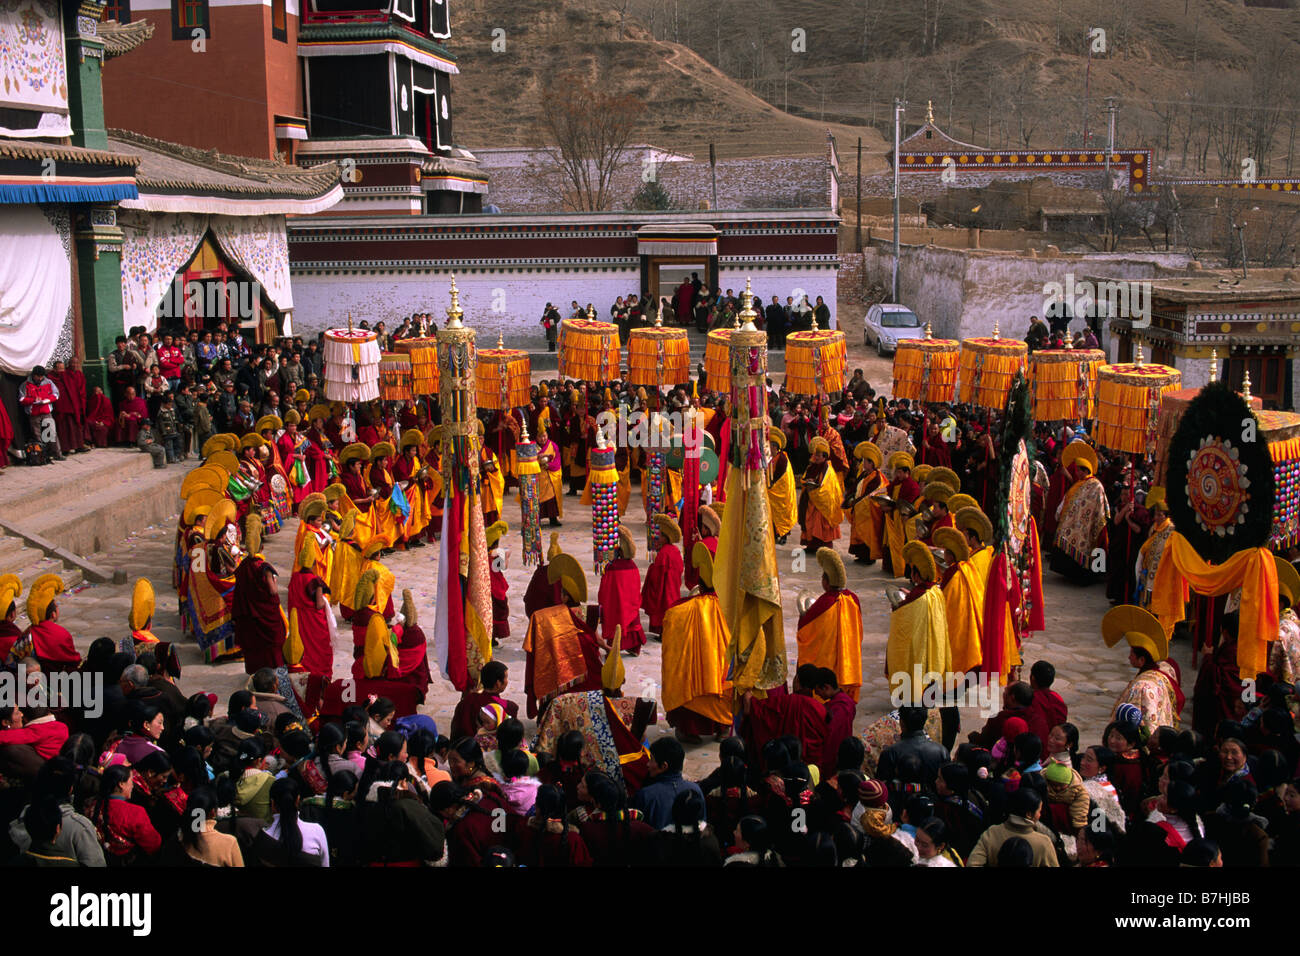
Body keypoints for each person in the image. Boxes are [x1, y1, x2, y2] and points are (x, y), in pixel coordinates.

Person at [660, 543, 733, 743]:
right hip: (720, 678)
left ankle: (688, 730)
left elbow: (670, 622)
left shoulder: (682, 611)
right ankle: (723, 727)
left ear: (699, 585)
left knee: (684, 674)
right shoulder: (729, 608)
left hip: (691, 684)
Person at [885, 542, 952, 709]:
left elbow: (904, 619)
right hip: (934, 649)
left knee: (914, 665)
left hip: (918, 648)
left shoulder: (919, 598)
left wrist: (897, 608)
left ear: (917, 575)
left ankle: (912, 698)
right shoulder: (935, 591)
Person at [1104, 604, 1183, 737]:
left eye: (1132, 654)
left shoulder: (1141, 686)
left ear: (1141, 660)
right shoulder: (1164, 671)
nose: (1129, 657)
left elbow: (1132, 719)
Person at [797, 548, 864, 702]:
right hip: (847, 663)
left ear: (826, 582)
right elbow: (858, 631)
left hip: (826, 662)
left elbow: (805, 632)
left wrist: (803, 617)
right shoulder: (853, 599)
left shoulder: (824, 603)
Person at [1051, 442, 1110, 582]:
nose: (1076, 473)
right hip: (1074, 522)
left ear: (1085, 470)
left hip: (1089, 523)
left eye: (1079, 470)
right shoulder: (1079, 483)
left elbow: (1096, 504)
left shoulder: (1096, 485)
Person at [966, 788, 1059, 867]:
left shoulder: (992, 832)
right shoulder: (1044, 843)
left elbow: (973, 864)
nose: (1040, 815)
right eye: (1039, 811)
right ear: (1029, 815)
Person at [632, 737, 705, 830]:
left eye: (651, 760)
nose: (648, 764)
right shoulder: (695, 790)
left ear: (664, 766)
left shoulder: (646, 796)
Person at [598, 526, 646, 655]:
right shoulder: (633, 566)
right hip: (630, 604)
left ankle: (615, 647)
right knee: (632, 622)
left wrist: (602, 602)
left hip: (616, 605)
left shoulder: (612, 567)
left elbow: (605, 588)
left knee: (615, 621)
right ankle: (633, 647)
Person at [798, 436, 844, 552]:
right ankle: (811, 545)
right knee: (809, 522)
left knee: (819, 523)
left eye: (819, 455)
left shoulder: (827, 468)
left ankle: (822, 545)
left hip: (821, 502)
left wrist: (815, 486)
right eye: (815, 455)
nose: (816, 457)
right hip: (810, 499)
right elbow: (805, 477)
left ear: (824, 456)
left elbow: (826, 486)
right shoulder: (812, 466)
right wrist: (807, 482)